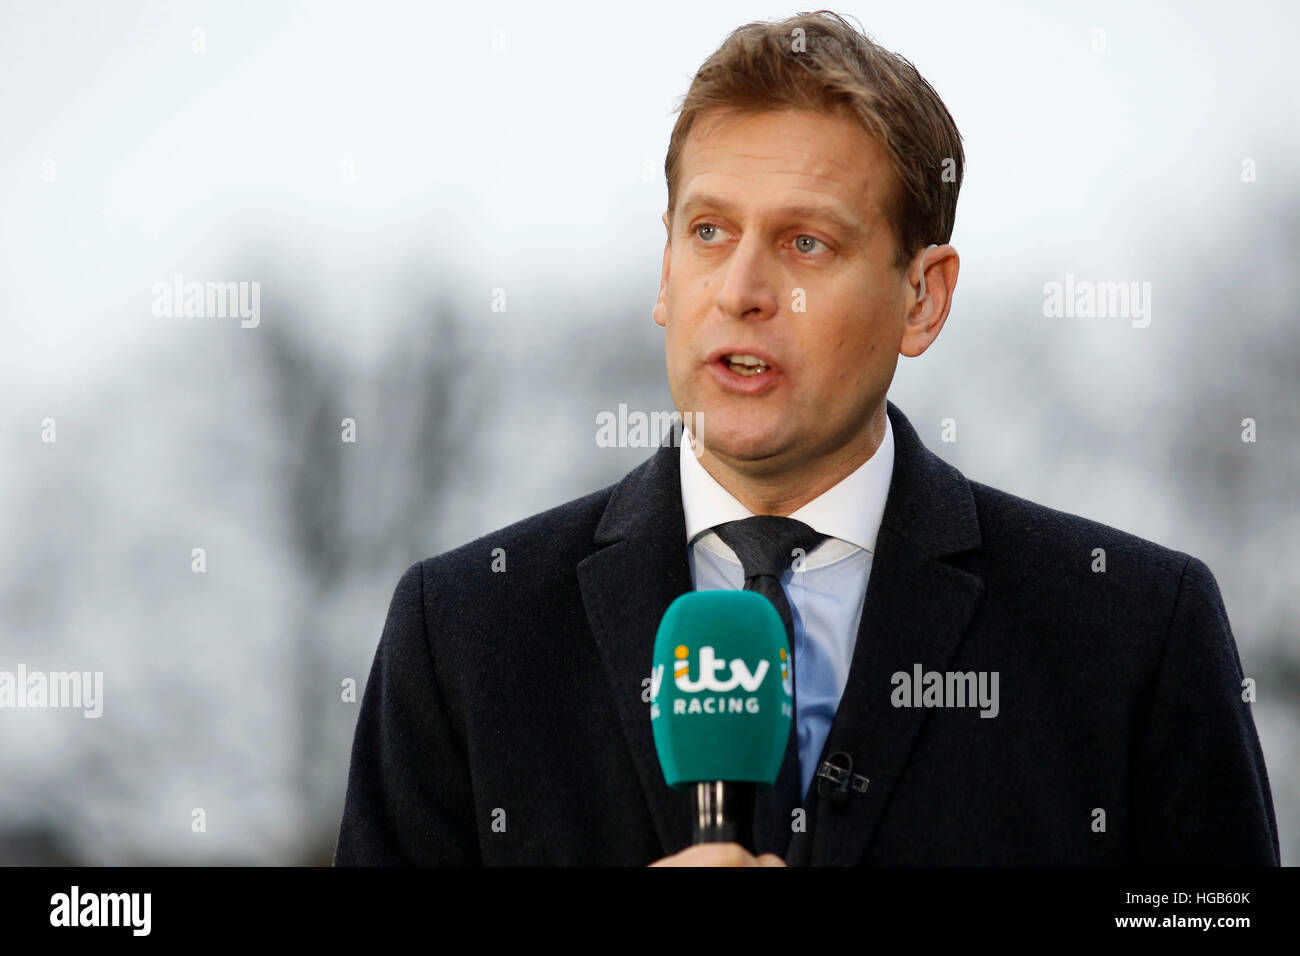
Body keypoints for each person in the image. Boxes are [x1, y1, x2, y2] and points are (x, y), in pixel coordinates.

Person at [333, 11, 1280, 866]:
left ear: (923, 296)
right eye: (707, 231)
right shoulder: (464, 629)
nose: (742, 288)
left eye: (806, 245)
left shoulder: (1134, 632)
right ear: (664, 274)